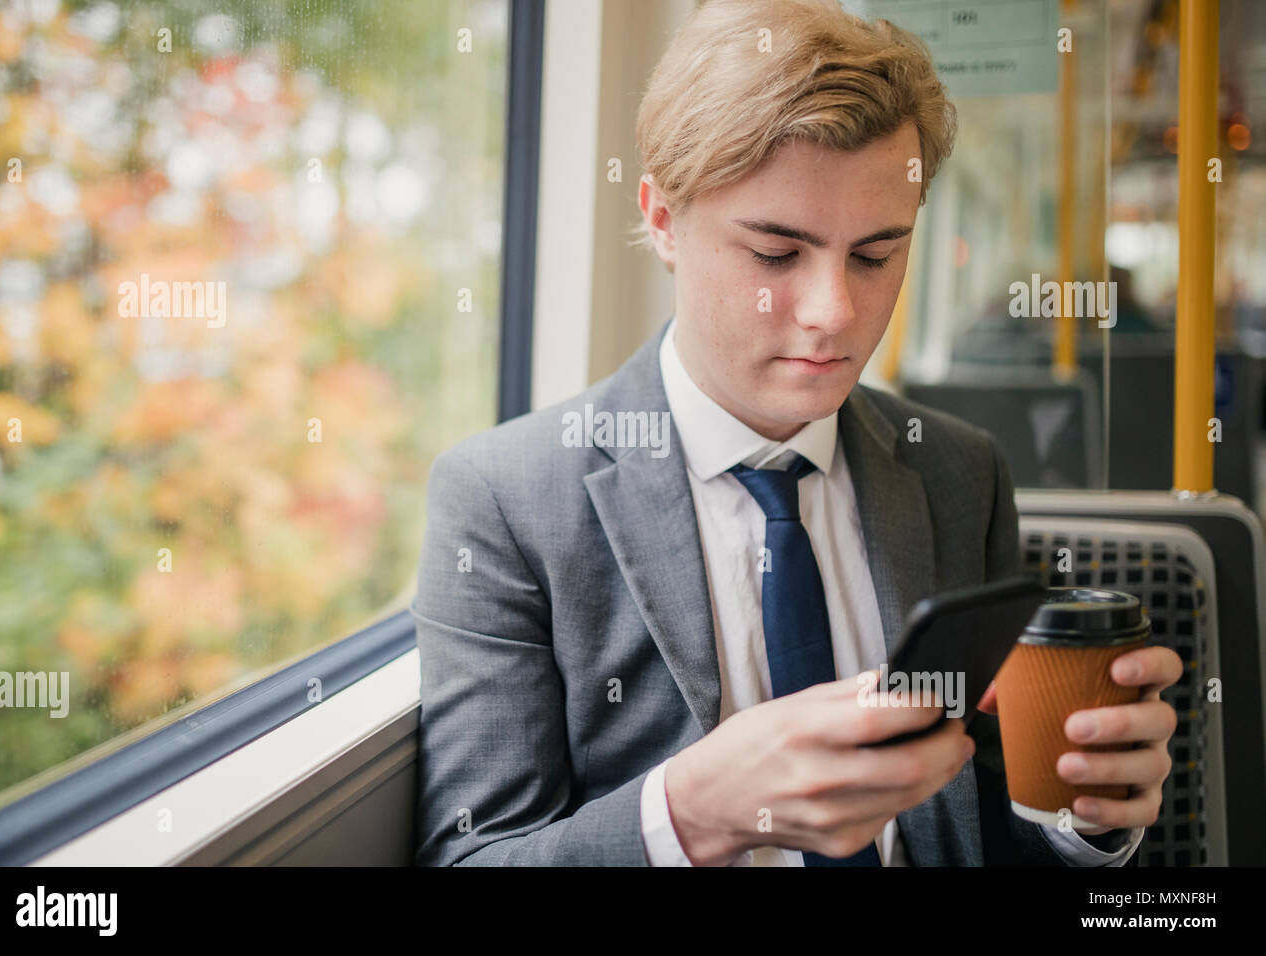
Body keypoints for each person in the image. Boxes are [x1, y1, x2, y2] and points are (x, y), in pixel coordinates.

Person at [411, 0, 1180, 866]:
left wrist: (1086, 812)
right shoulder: (506, 500)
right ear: (663, 219)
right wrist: (691, 813)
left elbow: (986, 832)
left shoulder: (962, 474)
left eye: (877, 254)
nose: (835, 313)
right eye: (777, 255)